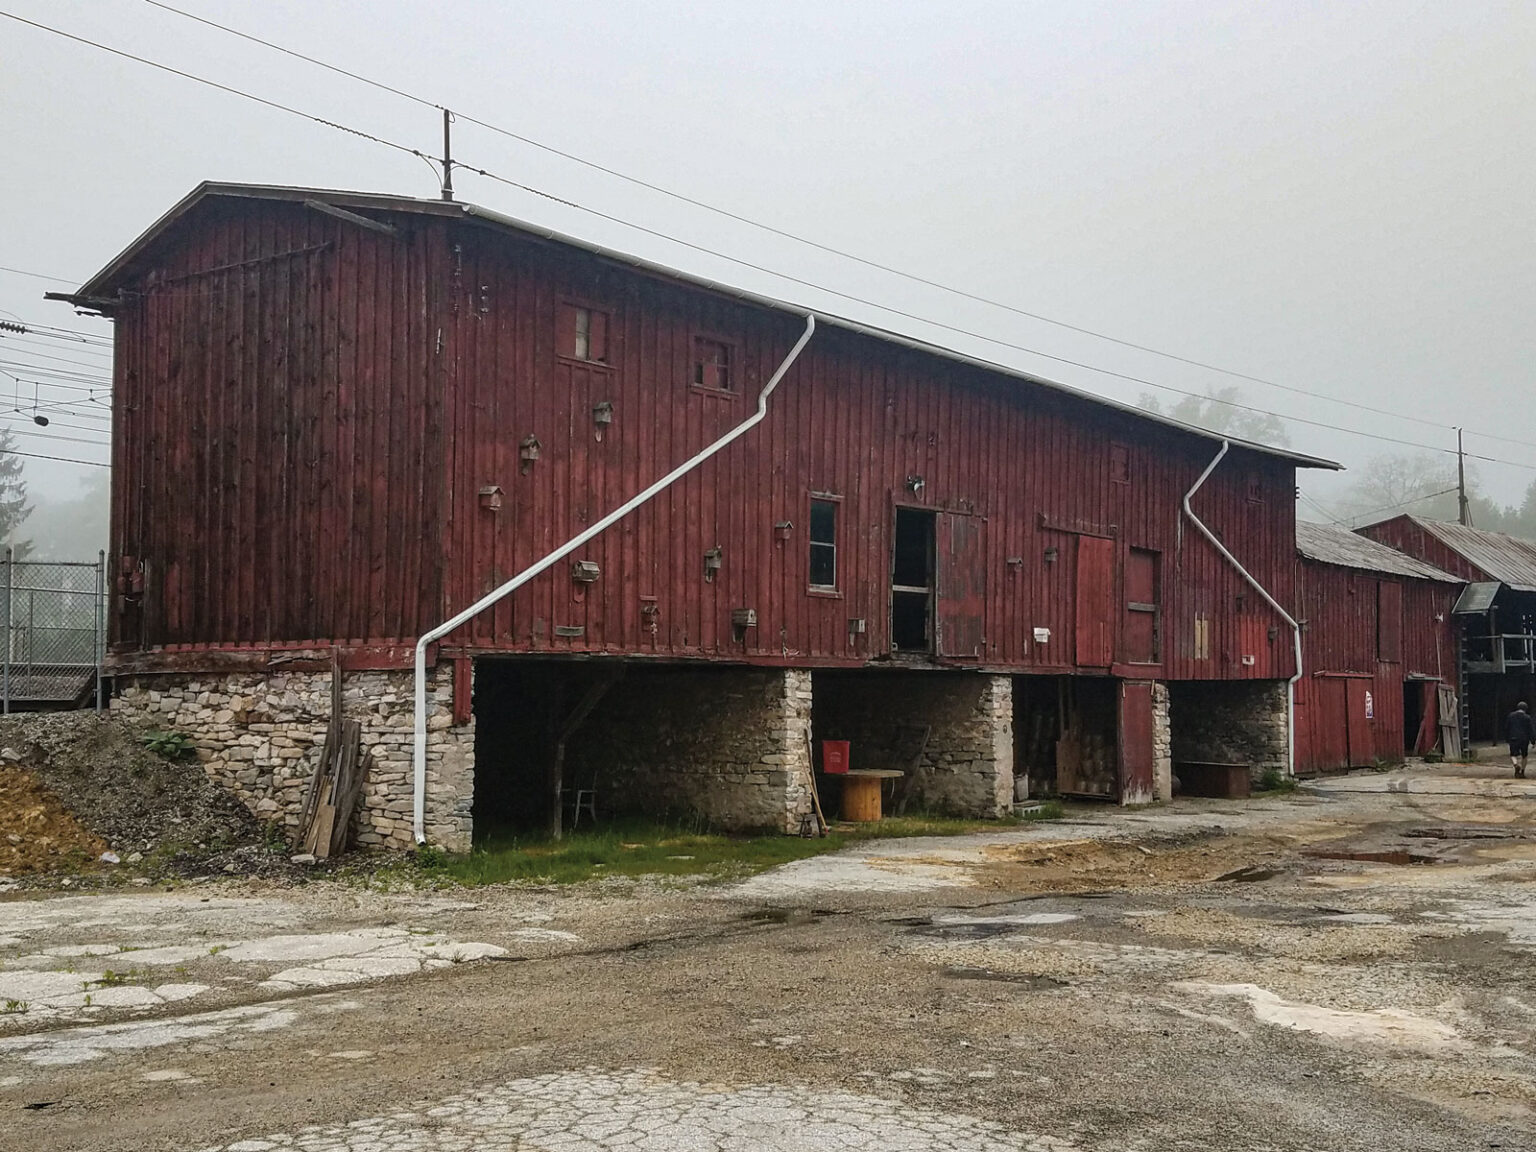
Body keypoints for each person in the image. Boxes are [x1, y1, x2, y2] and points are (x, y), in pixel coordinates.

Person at [1508, 702, 1536, 778]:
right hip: (1524, 739)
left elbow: (1507, 727)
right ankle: (1522, 771)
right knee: (1524, 755)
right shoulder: (1527, 717)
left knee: (1513, 754)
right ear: (1525, 709)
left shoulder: (1511, 716)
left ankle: (1516, 765)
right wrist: (1533, 741)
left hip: (1513, 737)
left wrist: (1507, 738)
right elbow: (1530, 730)